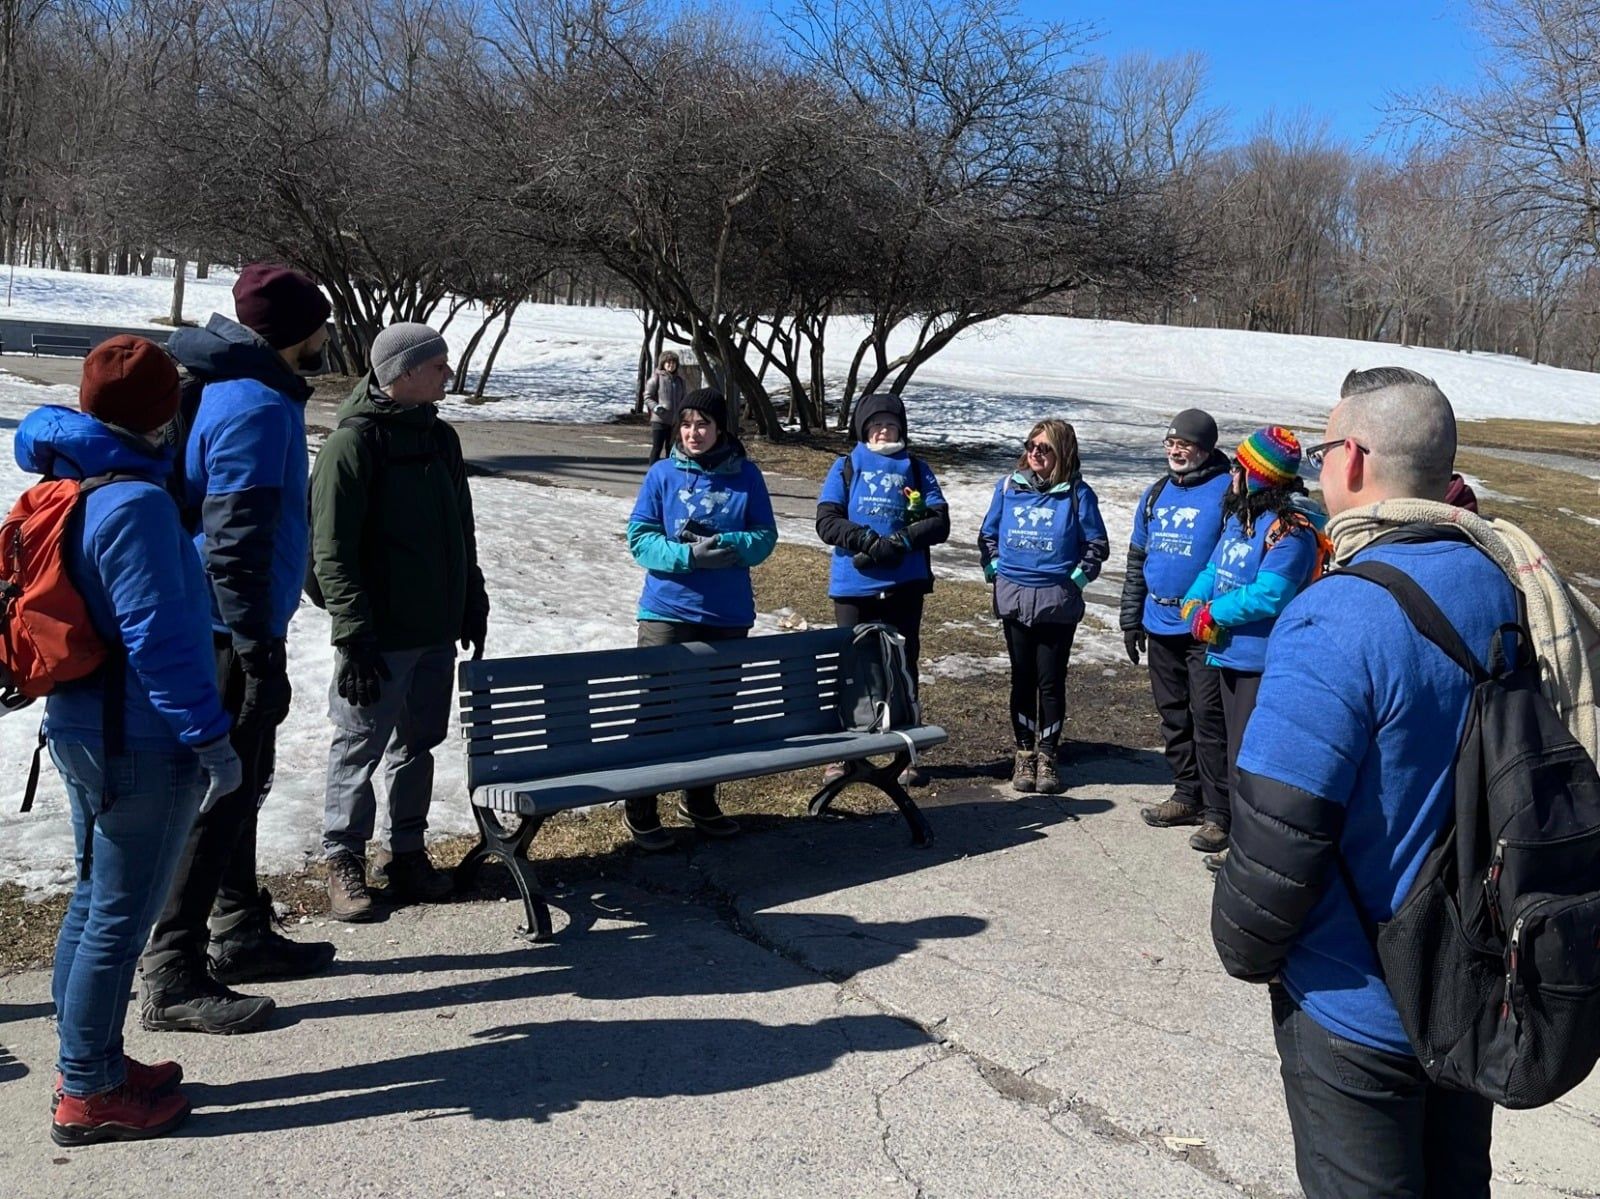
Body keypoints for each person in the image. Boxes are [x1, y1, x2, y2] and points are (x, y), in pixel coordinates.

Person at [1211, 367, 1523, 1197]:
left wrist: (1244, 951)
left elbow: (1277, 830)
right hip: (1469, 978)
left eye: (1323, 449)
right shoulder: (1502, 581)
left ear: (1351, 458)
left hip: (1357, 1004)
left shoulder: (1334, 614)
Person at [17, 338, 241, 1143]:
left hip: (82, 723)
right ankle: (90, 1089)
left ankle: (92, 1059)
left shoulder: (70, 478)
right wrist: (212, 739)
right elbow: (162, 638)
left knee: (94, 902)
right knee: (119, 912)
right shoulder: (138, 504)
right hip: (139, 737)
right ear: (164, 413)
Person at [140, 264, 336, 1034]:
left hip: (224, 619)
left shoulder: (233, 384)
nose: (327, 339)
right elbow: (239, 542)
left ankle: (240, 931)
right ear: (294, 333)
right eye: (320, 326)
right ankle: (173, 972)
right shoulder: (256, 403)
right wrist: (258, 651)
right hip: (228, 627)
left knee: (241, 785)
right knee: (221, 793)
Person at [311, 322, 490, 922]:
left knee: (418, 746)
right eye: (438, 365)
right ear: (404, 373)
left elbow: (460, 530)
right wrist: (353, 636)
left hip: (434, 632)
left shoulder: (441, 439)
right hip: (377, 639)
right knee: (358, 746)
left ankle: (407, 855)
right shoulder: (353, 444)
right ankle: (343, 860)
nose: (448, 374)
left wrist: (472, 598)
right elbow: (331, 550)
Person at [624, 388, 778, 849]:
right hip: (668, 610)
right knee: (656, 708)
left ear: (721, 429)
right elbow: (640, 539)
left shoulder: (747, 476)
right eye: (687, 424)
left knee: (714, 712)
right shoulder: (662, 474)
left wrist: (730, 547)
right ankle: (641, 804)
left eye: (704, 425)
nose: (694, 433)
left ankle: (701, 799)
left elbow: (765, 536)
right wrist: (689, 556)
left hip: (727, 613)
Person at [1180, 426, 1321, 868]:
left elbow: (1270, 594)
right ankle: (1221, 822)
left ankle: (1249, 848)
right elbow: (1213, 567)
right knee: (1217, 740)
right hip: (1225, 652)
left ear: (1257, 476)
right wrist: (1193, 600)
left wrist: (1214, 613)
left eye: (1239, 468)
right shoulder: (1244, 518)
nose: (1232, 476)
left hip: (1260, 662)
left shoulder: (1290, 530)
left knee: (1248, 757)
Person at [815, 393, 950, 788]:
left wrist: (904, 539)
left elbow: (939, 522)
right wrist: (867, 541)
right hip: (854, 586)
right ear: (862, 429)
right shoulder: (845, 466)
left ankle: (904, 753)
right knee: (853, 668)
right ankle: (844, 754)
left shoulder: (916, 468)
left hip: (904, 585)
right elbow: (827, 521)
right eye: (874, 424)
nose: (882, 430)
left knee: (902, 667)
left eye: (890, 424)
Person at [978, 420, 1108, 795]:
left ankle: (1048, 756)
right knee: (1022, 677)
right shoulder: (1008, 487)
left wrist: (1073, 584)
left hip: (1056, 603)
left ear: (1063, 453)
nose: (1035, 452)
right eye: (1031, 445)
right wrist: (997, 574)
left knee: (1050, 681)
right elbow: (988, 536)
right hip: (1015, 598)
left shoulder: (1078, 495)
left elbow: (1096, 546)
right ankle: (1024, 753)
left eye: (1045, 447)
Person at [1120, 409, 1233, 832]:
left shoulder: (1226, 492)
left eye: (1184, 444)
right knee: (1173, 716)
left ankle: (1219, 811)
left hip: (1204, 628)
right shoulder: (1156, 494)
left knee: (1209, 719)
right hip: (1158, 620)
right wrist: (1130, 619)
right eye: (1170, 443)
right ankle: (1186, 795)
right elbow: (1137, 560)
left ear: (1205, 448)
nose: (1175, 451)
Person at [645, 350, 685, 464]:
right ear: (663, 363)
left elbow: (684, 399)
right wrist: (656, 407)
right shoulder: (656, 378)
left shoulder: (680, 381)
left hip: (674, 421)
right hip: (659, 420)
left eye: (673, 363)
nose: (671, 365)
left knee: (671, 449)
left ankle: (669, 473)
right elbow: (647, 397)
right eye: (668, 363)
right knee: (657, 448)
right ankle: (653, 472)